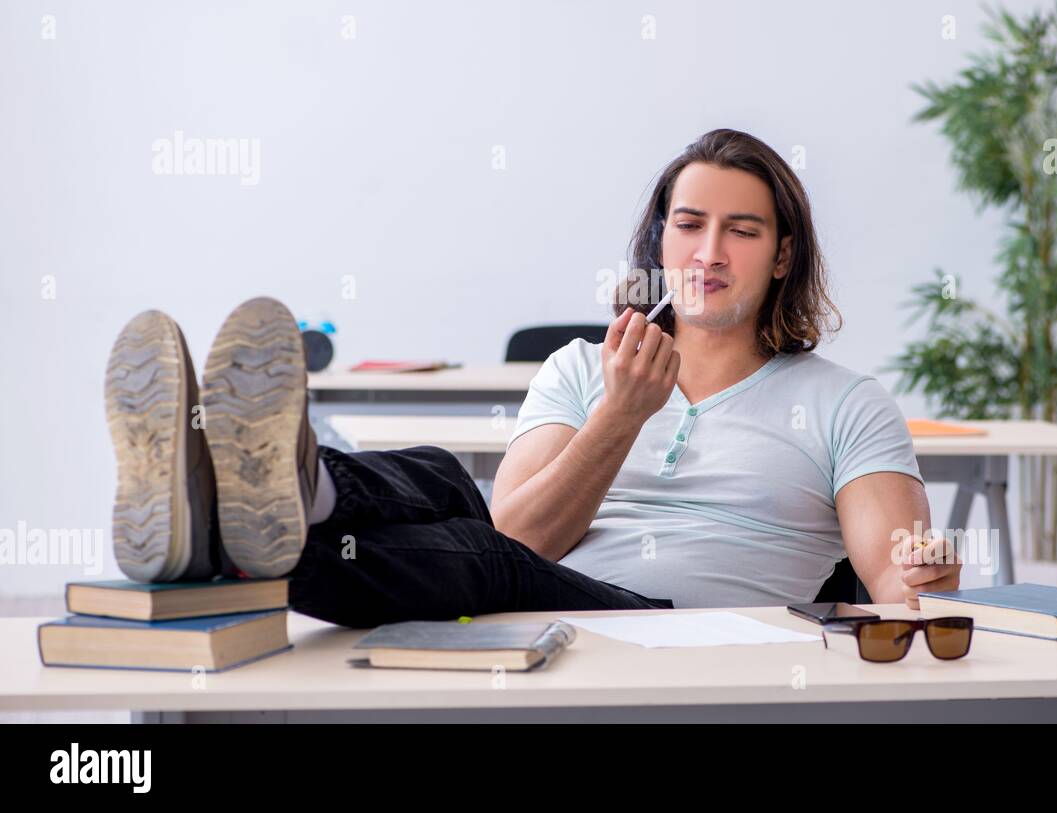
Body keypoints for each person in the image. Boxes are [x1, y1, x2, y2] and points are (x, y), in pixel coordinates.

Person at [103, 128, 961, 628]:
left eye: (741, 230)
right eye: (689, 224)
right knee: (443, 475)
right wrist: (617, 415)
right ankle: (285, 495)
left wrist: (922, 575)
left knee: (482, 552)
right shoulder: (580, 369)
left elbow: (895, 584)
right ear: (658, 242)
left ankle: (229, 519)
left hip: (676, 633)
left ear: (782, 256)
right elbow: (526, 528)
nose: (708, 252)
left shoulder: (848, 403)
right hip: (553, 604)